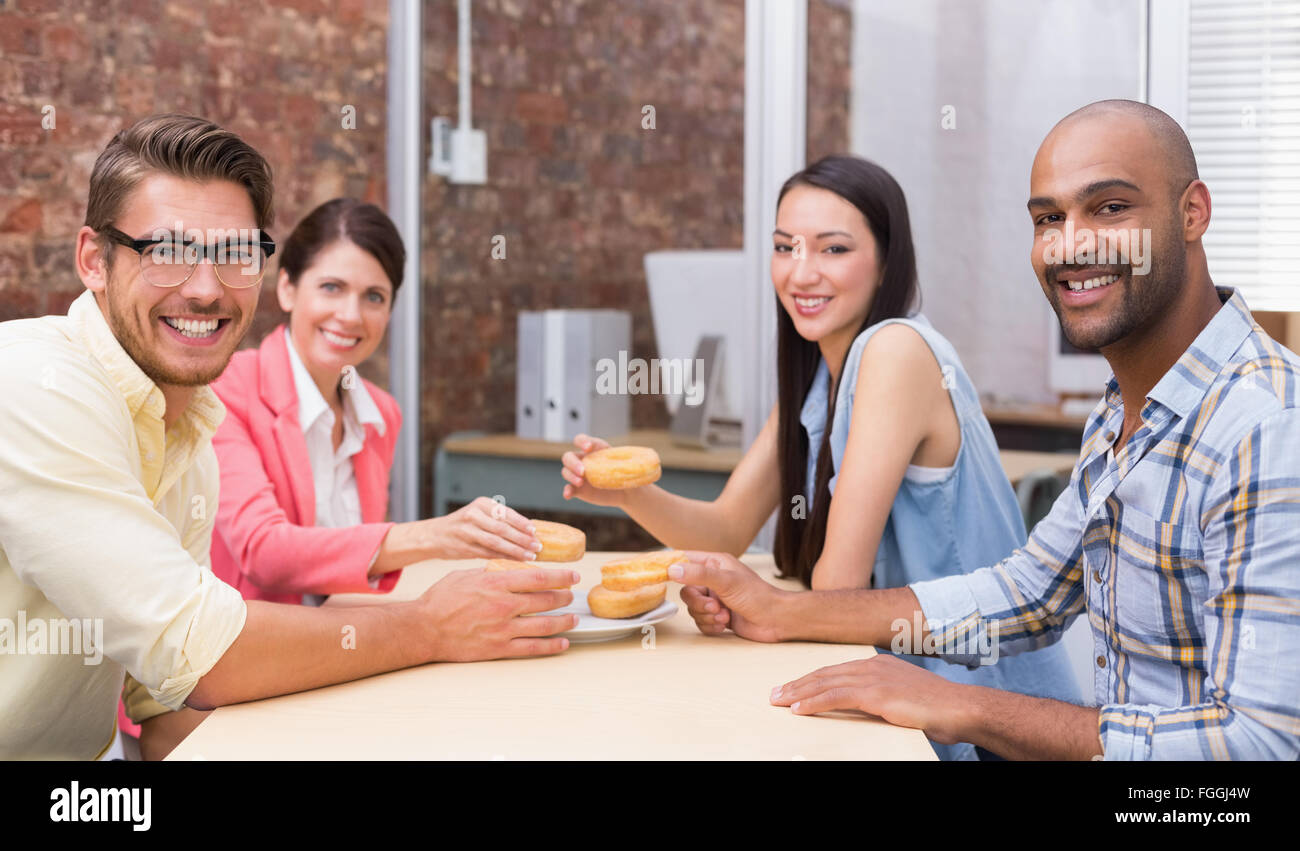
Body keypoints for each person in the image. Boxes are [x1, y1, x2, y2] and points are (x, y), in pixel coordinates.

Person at [670, 100, 1300, 760]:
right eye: (1048, 218)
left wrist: (960, 705)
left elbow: (1259, 743)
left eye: (1110, 207)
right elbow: (1029, 594)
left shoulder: (1264, 426)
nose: (1071, 244)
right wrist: (777, 612)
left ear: (1192, 212)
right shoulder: (1124, 411)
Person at [0, 113, 579, 761]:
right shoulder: (32, 383)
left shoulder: (189, 428)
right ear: (93, 261)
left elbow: (165, 704)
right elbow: (204, 637)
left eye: (234, 254)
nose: (204, 288)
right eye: (166, 251)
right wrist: (429, 624)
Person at [561, 155, 1084, 759]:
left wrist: (752, 604)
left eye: (833, 250)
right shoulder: (819, 374)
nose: (800, 273)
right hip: (894, 692)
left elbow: (837, 582)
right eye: (785, 248)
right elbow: (727, 527)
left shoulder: (896, 351)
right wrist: (628, 492)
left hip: (976, 718)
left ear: (887, 260)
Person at [129, 198, 546, 757]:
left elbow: (341, 576)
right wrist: (431, 536)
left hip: (328, 666)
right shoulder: (227, 391)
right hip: (217, 691)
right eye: (331, 288)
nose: (351, 314)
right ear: (286, 291)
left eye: (374, 297)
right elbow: (263, 550)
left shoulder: (379, 414)